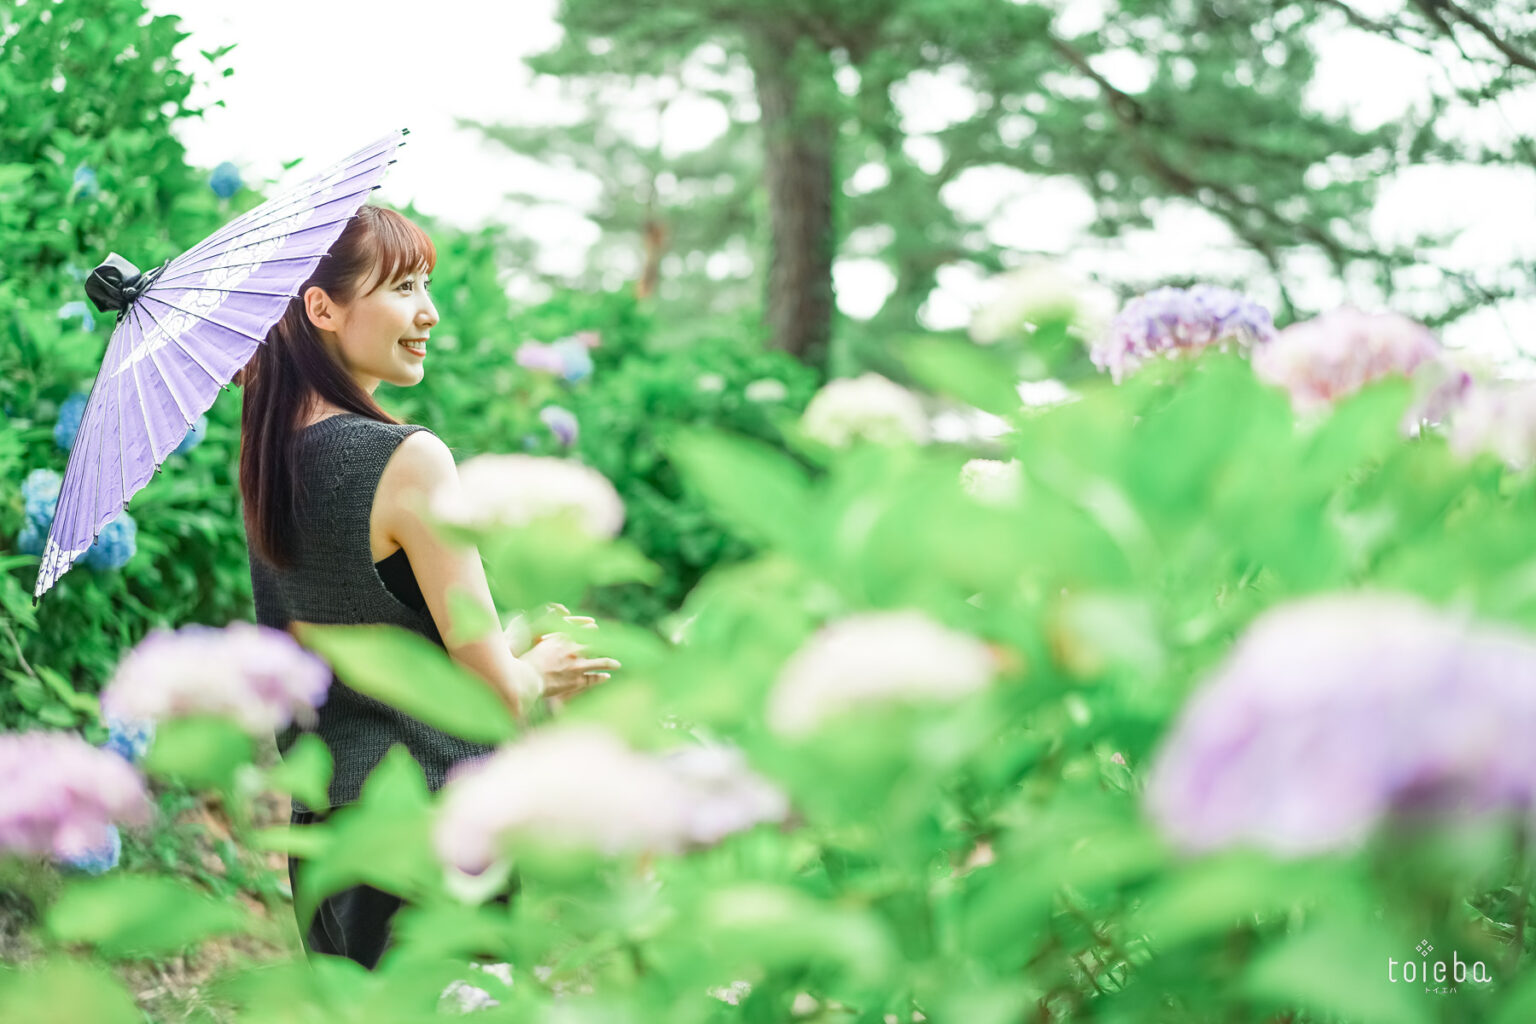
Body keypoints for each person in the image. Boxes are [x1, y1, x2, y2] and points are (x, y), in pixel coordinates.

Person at [237, 204, 618, 970]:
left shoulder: (271, 466)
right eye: (405, 286)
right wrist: (538, 669)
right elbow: (495, 695)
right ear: (323, 307)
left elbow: (374, 637)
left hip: (326, 833)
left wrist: (507, 645)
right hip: (432, 822)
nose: (429, 313)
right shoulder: (406, 458)